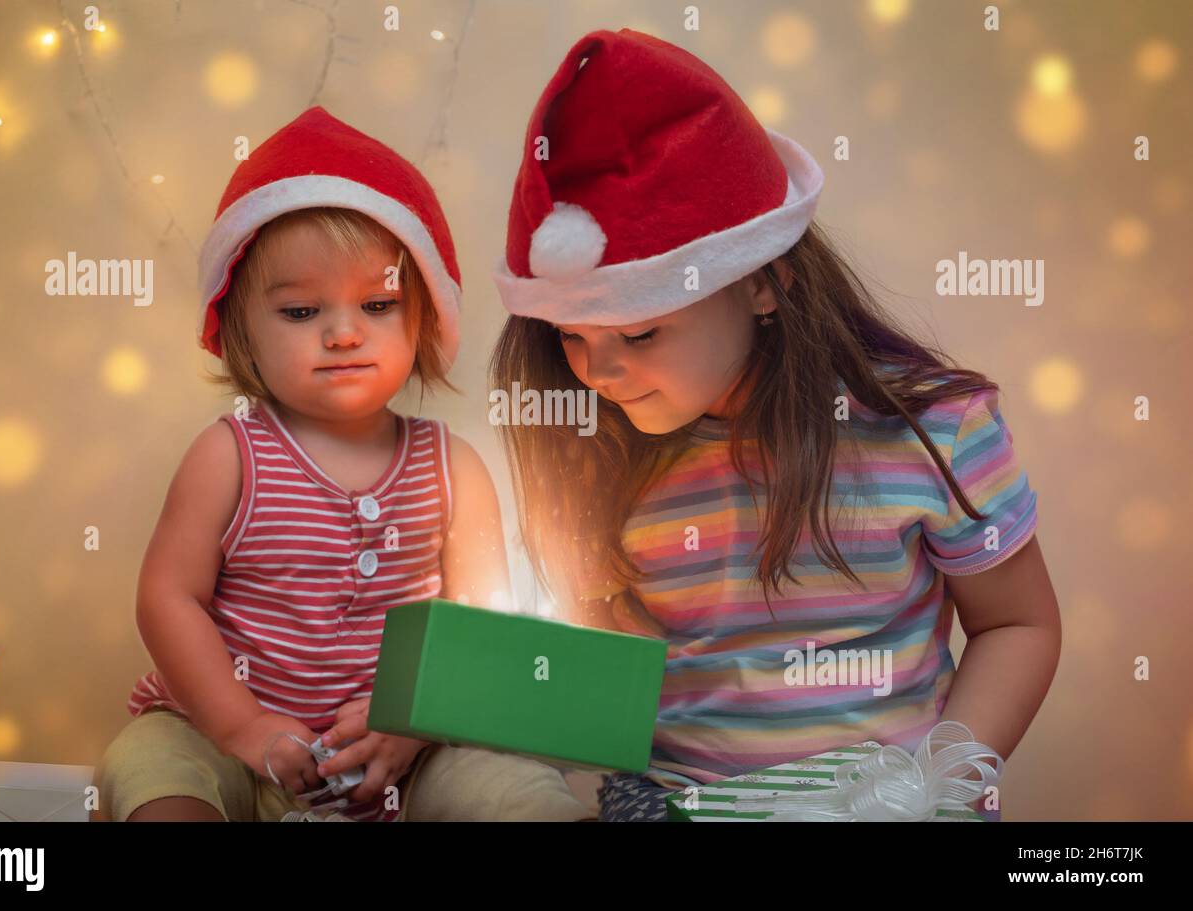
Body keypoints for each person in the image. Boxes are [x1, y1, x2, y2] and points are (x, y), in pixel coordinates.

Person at [489, 30, 1061, 822]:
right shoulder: (609, 452)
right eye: (572, 337)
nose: (599, 372)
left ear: (766, 284)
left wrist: (934, 786)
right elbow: (613, 682)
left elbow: (1018, 623)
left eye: (642, 333)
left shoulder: (931, 428)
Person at [94, 107, 591, 822]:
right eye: (300, 312)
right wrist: (242, 726)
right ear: (242, 334)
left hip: (406, 757)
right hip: (226, 739)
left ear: (422, 318)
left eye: (378, 303)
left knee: (514, 791)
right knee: (151, 768)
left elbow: (480, 633)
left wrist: (418, 719)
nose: (344, 332)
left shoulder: (453, 468)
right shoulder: (231, 453)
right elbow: (166, 599)